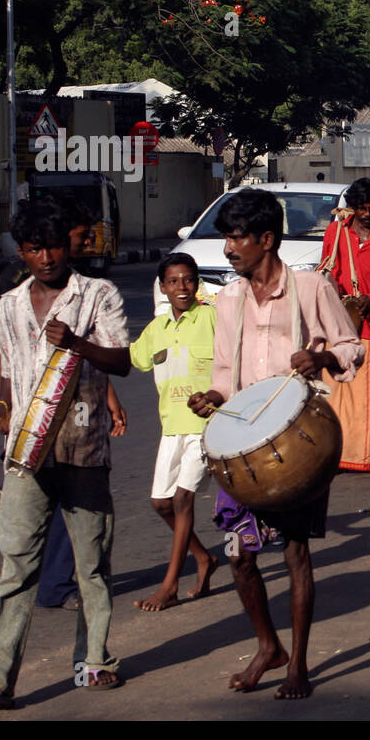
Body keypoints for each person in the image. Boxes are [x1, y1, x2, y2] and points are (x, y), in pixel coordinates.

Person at [0, 200, 132, 709]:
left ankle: (94, 661)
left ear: (67, 247)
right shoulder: (9, 304)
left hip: (82, 448)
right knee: (16, 565)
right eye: (35, 248)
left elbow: (121, 362)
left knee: (90, 564)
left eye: (53, 245)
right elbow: (8, 370)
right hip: (25, 452)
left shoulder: (98, 295)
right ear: (23, 252)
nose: (46, 256)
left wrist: (76, 342)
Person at [188, 188, 364, 700]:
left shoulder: (311, 288)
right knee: (241, 555)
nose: (227, 249)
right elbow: (225, 373)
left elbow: (350, 346)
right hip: (243, 443)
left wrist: (322, 360)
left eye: (237, 238)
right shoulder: (228, 299)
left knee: (295, 554)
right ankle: (268, 646)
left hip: (297, 440)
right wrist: (212, 397)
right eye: (226, 237)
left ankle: (299, 666)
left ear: (267, 240)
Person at [128, 252, 219, 611]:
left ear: (197, 284)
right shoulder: (157, 329)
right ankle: (203, 557)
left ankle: (169, 586)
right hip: (172, 427)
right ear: (163, 287)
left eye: (189, 280)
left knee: (183, 501)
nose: (182, 287)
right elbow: (131, 359)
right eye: (174, 282)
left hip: (207, 425)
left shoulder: (212, 317)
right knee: (161, 503)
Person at [320, 177, 370, 471]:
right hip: (341, 327)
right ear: (353, 208)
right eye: (362, 208)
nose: (368, 214)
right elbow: (327, 269)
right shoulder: (336, 231)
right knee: (338, 394)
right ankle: (339, 452)